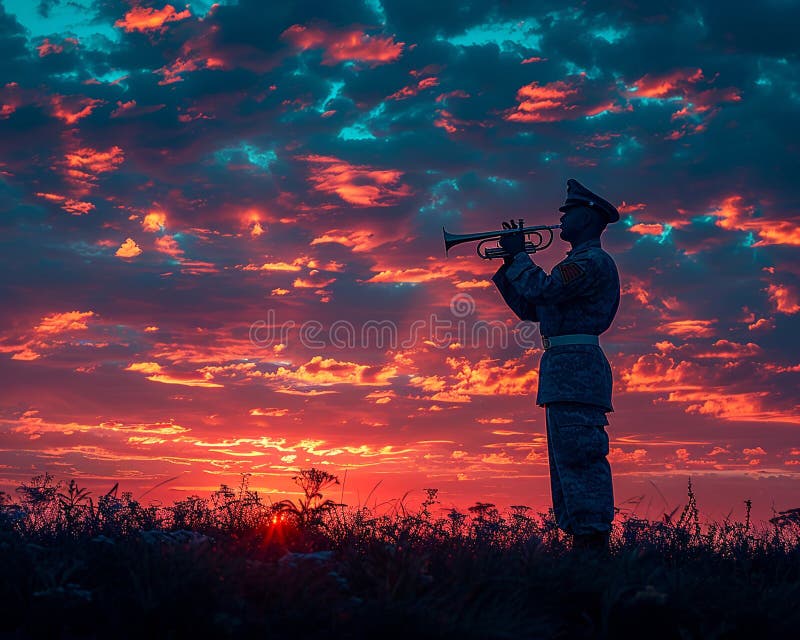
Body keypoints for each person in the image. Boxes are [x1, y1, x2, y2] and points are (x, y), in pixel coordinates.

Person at [492, 178, 621, 553]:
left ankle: (592, 543)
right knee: (565, 464)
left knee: (581, 458)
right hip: (564, 371)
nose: (561, 218)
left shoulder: (591, 262)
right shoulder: (575, 265)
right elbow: (531, 308)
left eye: (569, 213)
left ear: (589, 217)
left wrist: (519, 257)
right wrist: (508, 263)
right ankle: (581, 541)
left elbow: (544, 290)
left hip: (577, 371)